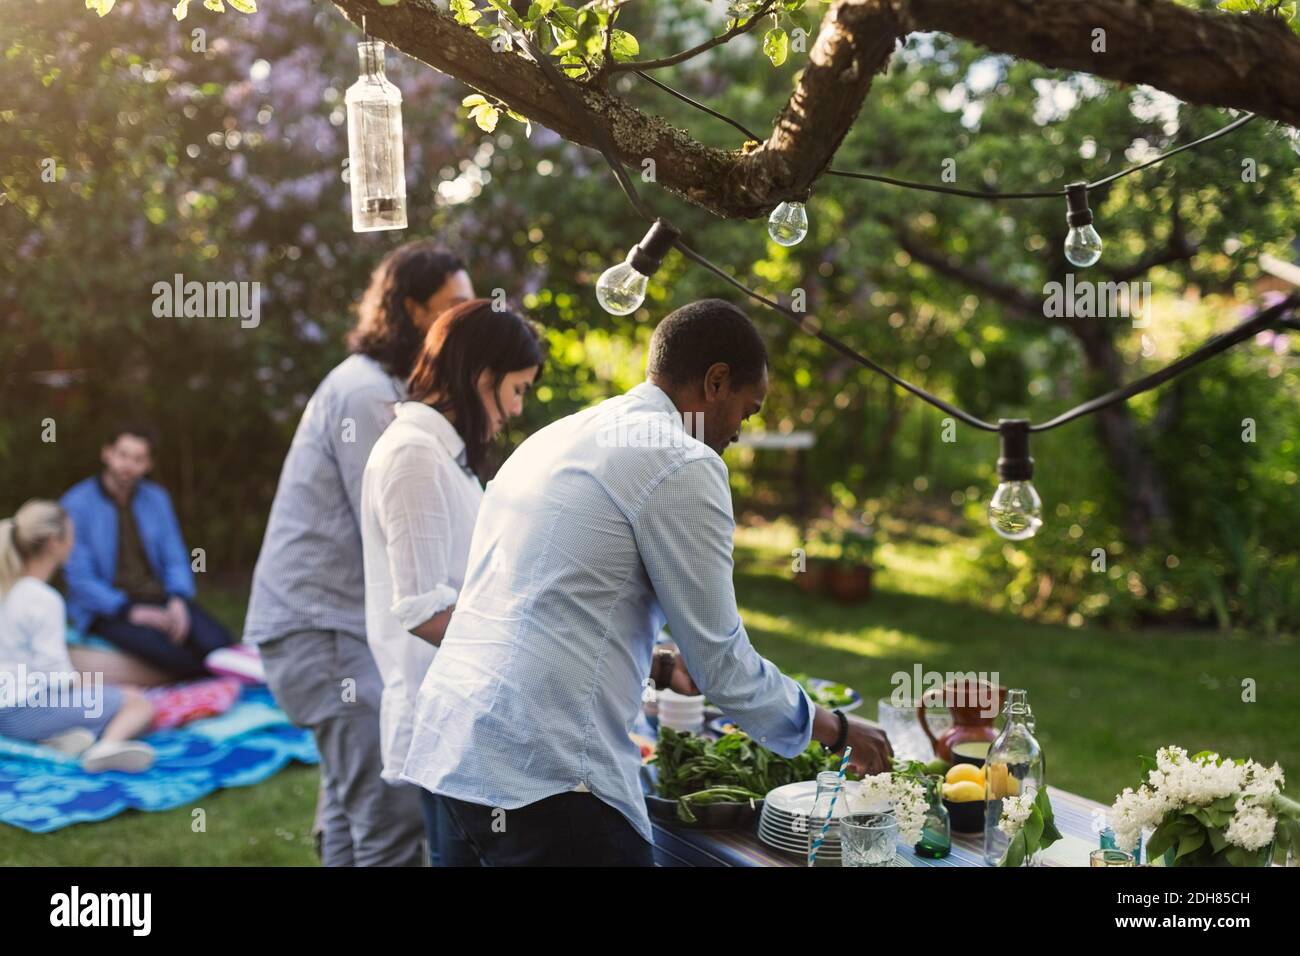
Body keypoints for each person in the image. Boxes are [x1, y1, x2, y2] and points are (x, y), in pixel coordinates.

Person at [401, 298, 893, 866]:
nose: (739, 432)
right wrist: (835, 728)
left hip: (452, 752)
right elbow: (723, 666)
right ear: (715, 382)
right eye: (747, 410)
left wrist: (657, 662)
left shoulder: (557, 436)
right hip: (544, 779)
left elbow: (538, 599)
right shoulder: (682, 461)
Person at [246, 242, 473, 867]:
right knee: (391, 822)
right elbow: (400, 526)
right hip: (323, 631)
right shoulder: (368, 396)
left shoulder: (384, 388)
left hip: (330, 631)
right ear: (412, 309)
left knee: (352, 820)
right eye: (453, 305)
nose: (467, 317)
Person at [362, 299, 542, 866]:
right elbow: (423, 611)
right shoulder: (414, 454)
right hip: (448, 719)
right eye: (517, 389)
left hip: (468, 714)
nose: (517, 408)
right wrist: (536, 646)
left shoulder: (441, 453)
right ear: (482, 377)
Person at [61, 425, 233, 680]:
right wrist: (129, 610)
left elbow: (175, 557)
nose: (128, 466)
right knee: (176, 657)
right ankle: (204, 685)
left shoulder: (157, 499)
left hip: (158, 597)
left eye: (138, 459)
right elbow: (79, 578)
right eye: (122, 455)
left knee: (221, 645)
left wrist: (178, 599)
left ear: (148, 464)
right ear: (107, 453)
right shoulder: (76, 504)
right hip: (108, 609)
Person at [0, 500, 156, 773]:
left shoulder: (7, 590)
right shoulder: (43, 598)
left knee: (96, 700)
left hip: (6, 711)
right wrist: (108, 688)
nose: (74, 543)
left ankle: (57, 740)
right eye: (72, 536)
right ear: (54, 542)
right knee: (137, 703)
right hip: (24, 712)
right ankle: (105, 749)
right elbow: (57, 678)